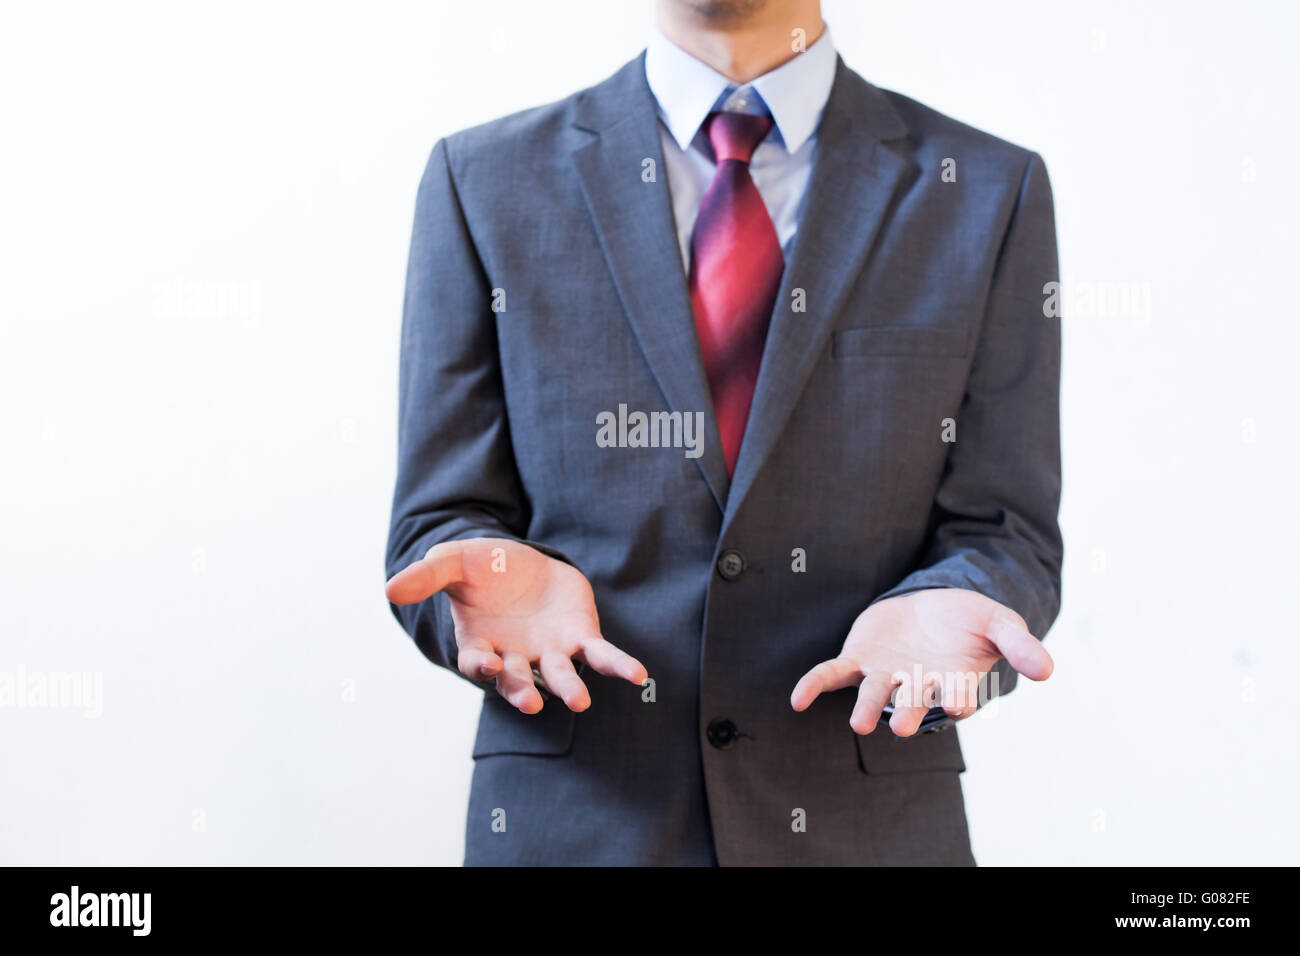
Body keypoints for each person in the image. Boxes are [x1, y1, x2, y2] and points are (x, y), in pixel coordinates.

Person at [385, 0, 1062, 866]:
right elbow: (440, 520)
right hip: (577, 824)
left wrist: (955, 608)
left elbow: (1007, 530)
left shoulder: (987, 189)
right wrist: (492, 584)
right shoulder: (480, 181)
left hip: (866, 832)